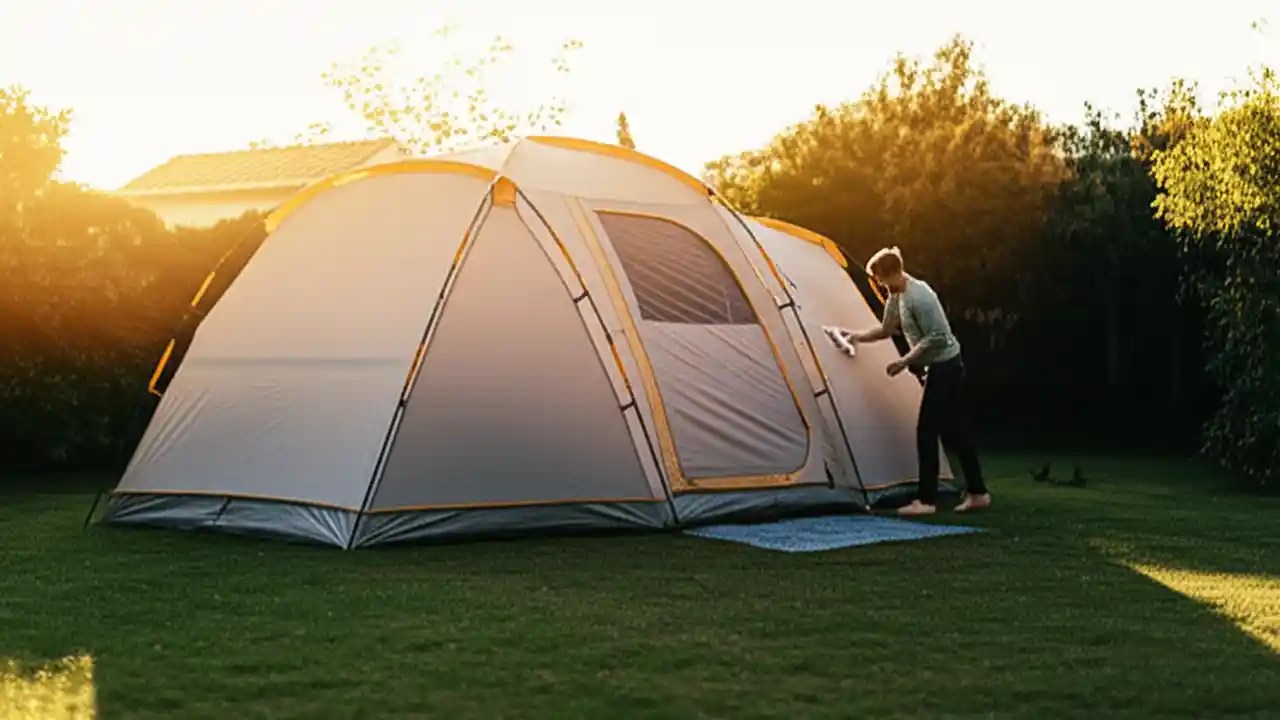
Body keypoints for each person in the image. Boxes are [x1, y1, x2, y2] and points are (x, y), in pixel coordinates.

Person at [846, 246, 990, 516]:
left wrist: (904, 361)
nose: (878, 283)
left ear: (890, 273)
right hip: (936, 369)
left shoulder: (920, 296)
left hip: (946, 367)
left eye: (878, 278)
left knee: (927, 432)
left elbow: (936, 336)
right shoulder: (896, 295)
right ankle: (978, 492)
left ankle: (926, 501)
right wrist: (855, 336)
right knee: (956, 432)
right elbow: (887, 329)